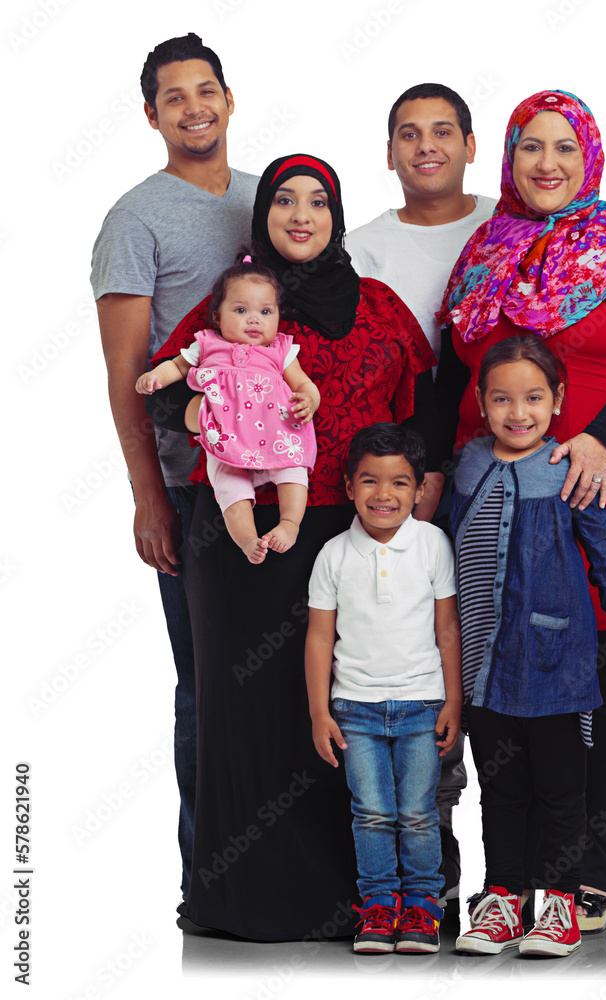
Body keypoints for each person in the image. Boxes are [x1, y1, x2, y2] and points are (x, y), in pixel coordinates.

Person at [148, 153, 438, 941]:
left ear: (337, 215)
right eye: (284, 200)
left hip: (351, 528)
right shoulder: (235, 303)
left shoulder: (376, 305)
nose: (301, 214)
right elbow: (166, 391)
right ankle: (247, 900)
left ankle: (364, 897)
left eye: (317, 201)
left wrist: (424, 479)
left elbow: (426, 401)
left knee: (346, 702)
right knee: (246, 705)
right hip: (241, 529)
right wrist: (228, 424)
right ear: (263, 216)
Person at [437, 89, 606, 929]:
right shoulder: (484, 250)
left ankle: (592, 871)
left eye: (563, 149)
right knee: (499, 675)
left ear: (590, 158)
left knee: (595, 678)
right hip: (489, 498)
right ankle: (515, 874)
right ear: (507, 159)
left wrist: (600, 440)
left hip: (591, 489)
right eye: (530, 148)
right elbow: (453, 373)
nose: (547, 164)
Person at [90, 32, 257, 907]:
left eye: (207, 91)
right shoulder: (136, 219)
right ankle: (211, 878)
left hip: (286, 486)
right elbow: (125, 375)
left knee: (282, 676)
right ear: (152, 115)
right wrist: (147, 495)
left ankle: (291, 873)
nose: (195, 108)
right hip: (193, 490)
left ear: (230, 100)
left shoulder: (272, 200)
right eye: (175, 97)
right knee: (208, 680)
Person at [450, 336, 606, 958]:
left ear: (558, 400)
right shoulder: (466, 467)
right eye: (503, 399)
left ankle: (561, 907)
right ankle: (503, 901)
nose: (519, 412)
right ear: (482, 404)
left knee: (561, 790)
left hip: (554, 667)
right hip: (483, 666)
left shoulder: (568, 468)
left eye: (534, 398)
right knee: (501, 789)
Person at [344, 80, 496, 910]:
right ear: (391, 150)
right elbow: (403, 374)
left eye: (444, 131)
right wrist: (415, 475)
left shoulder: (505, 229)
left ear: (472, 145)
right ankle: (423, 874)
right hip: (405, 482)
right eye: (408, 133)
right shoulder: (366, 246)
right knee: (406, 652)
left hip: (503, 466)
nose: (426, 146)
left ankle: (541, 864)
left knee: (487, 650)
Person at [305, 423, 461, 954]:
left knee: (418, 812)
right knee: (370, 812)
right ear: (348, 487)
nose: (384, 495)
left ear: (419, 490)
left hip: (421, 704)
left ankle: (422, 906)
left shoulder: (433, 544)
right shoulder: (333, 555)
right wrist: (318, 714)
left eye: (399, 483)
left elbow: (447, 630)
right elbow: (320, 638)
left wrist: (454, 703)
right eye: (370, 481)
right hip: (356, 711)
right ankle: (377, 906)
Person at [137, 253, 320, 562]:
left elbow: (304, 384)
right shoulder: (207, 344)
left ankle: (289, 524)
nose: (254, 319)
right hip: (226, 437)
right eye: (240, 310)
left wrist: (309, 400)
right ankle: (248, 540)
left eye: (265, 311)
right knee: (229, 487)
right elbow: (178, 368)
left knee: (294, 471)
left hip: (278, 432)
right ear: (217, 317)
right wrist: (156, 376)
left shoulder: (281, 351)